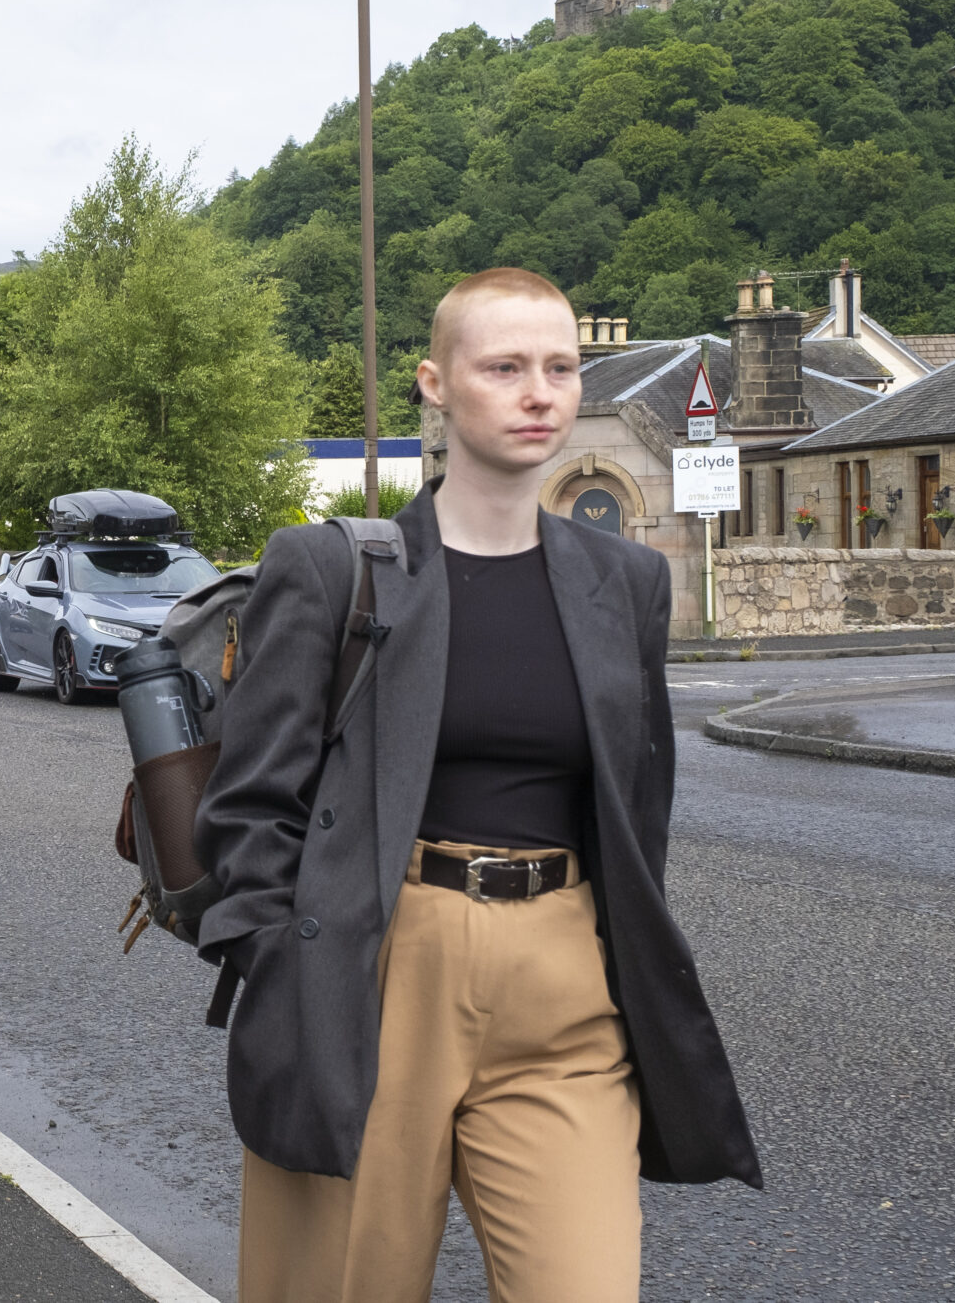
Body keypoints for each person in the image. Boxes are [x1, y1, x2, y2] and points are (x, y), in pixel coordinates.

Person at [195, 267, 759, 1303]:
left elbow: (640, 804)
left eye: (559, 367)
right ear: (436, 385)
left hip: (563, 982)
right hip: (373, 971)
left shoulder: (623, 581)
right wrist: (284, 965)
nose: (538, 391)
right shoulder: (331, 571)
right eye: (503, 367)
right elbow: (248, 805)